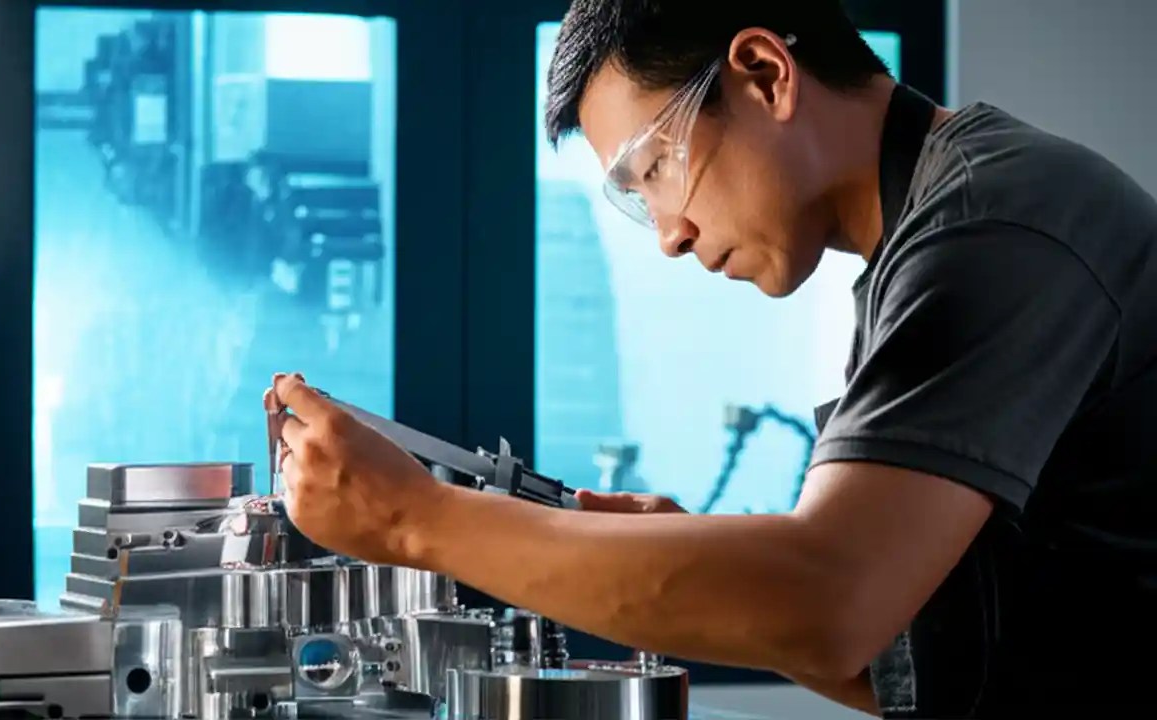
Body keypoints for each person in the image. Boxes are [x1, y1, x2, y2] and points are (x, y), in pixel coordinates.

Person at [267, 1, 1157, 716]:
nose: (668, 236)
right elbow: (917, 666)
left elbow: (828, 608)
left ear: (765, 74)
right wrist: (677, 557)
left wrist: (414, 521)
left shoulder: (994, 227)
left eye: (652, 170)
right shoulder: (924, 244)